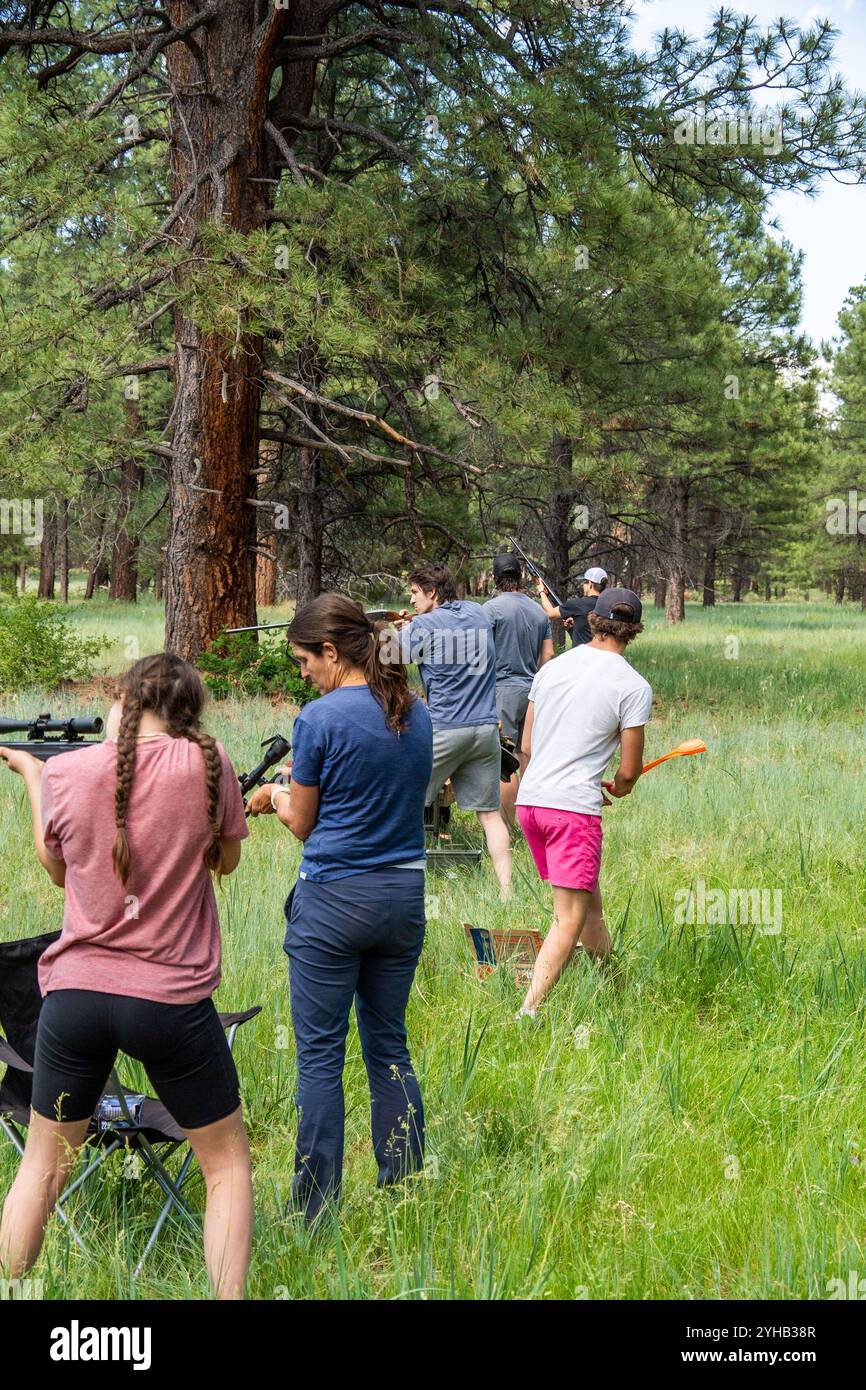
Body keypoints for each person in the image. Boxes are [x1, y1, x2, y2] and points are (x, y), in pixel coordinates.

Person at [0, 654, 253, 1300]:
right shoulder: (211, 763)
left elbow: (56, 869)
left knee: (41, 1166)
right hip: (170, 1001)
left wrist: (33, 774)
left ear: (122, 700)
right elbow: (226, 860)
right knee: (225, 1168)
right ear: (189, 711)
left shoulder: (69, 771)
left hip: (75, 996)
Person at [247, 593, 433, 1225]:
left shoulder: (319, 718)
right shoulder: (416, 712)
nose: (302, 673)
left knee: (321, 1056)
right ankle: (403, 1188)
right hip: (403, 895)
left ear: (331, 651)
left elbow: (303, 821)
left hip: (334, 898)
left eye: (304, 660)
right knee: (389, 1046)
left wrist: (273, 794)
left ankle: (315, 1208)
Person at [515, 589, 652, 1015]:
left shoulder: (553, 669)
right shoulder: (633, 685)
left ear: (593, 619)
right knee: (568, 918)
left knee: (590, 911)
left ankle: (616, 990)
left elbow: (527, 745)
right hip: (571, 812)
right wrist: (619, 787)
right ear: (635, 630)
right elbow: (628, 773)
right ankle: (528, 1012)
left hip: (531, 804)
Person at [397, 562, 512, 897]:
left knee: (407, 805)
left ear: (432, 592)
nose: (413, 599)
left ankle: (406, 884)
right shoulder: (478, 614)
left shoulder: (423, 625)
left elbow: (386, 656)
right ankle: (507, 892)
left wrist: (405, 629)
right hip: (485, 730)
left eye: (416, 593)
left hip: (445, 729)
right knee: (490, 816)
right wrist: (414, 625)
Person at [484, 552, 554, 827]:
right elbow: (548, 656)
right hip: (534, 690)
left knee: (504, 761)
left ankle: (508, 828)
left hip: (502, 690)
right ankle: (534, 824)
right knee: (528, 756)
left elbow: (480, 654)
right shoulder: (539, 611)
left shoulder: (490, 609)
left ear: (496, 578)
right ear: (519, 578)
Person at [536, 566, 609, 647]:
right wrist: (572, 629)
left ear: (590, 584)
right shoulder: (608, 606)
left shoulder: (579, 604)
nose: (583, 585)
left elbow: (549, 613)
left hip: (582, 658)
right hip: (603, 657)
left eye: (585, 582)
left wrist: (541, 591)